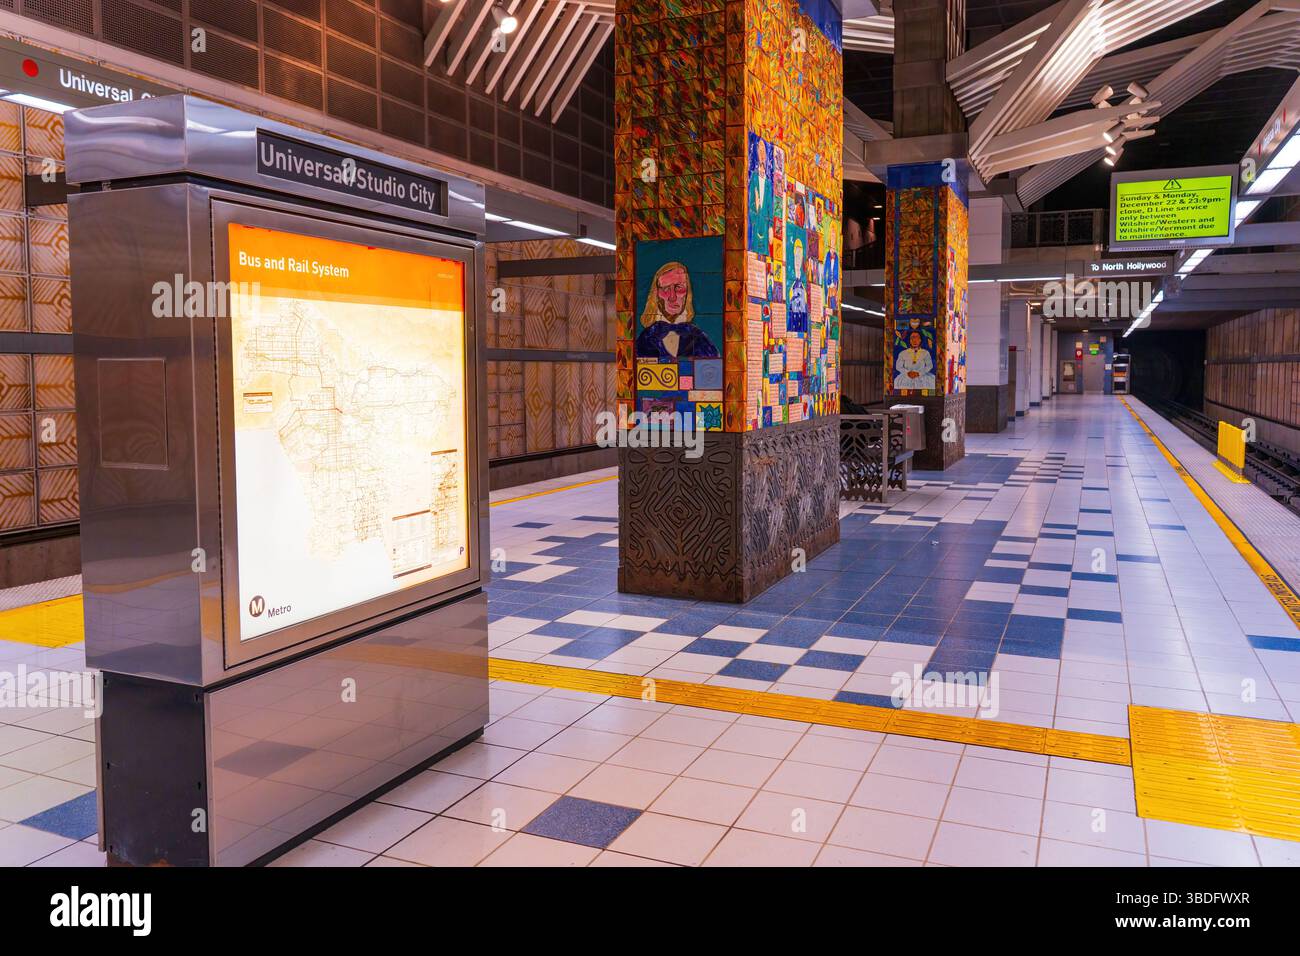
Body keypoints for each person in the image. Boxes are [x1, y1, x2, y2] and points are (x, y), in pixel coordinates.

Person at [635, 261, 719, 359]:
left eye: (678, 287)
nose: (672, 297)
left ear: (687, 292)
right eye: (665, 289)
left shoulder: (700, 339)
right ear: (656, 294)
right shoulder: (645, 339)